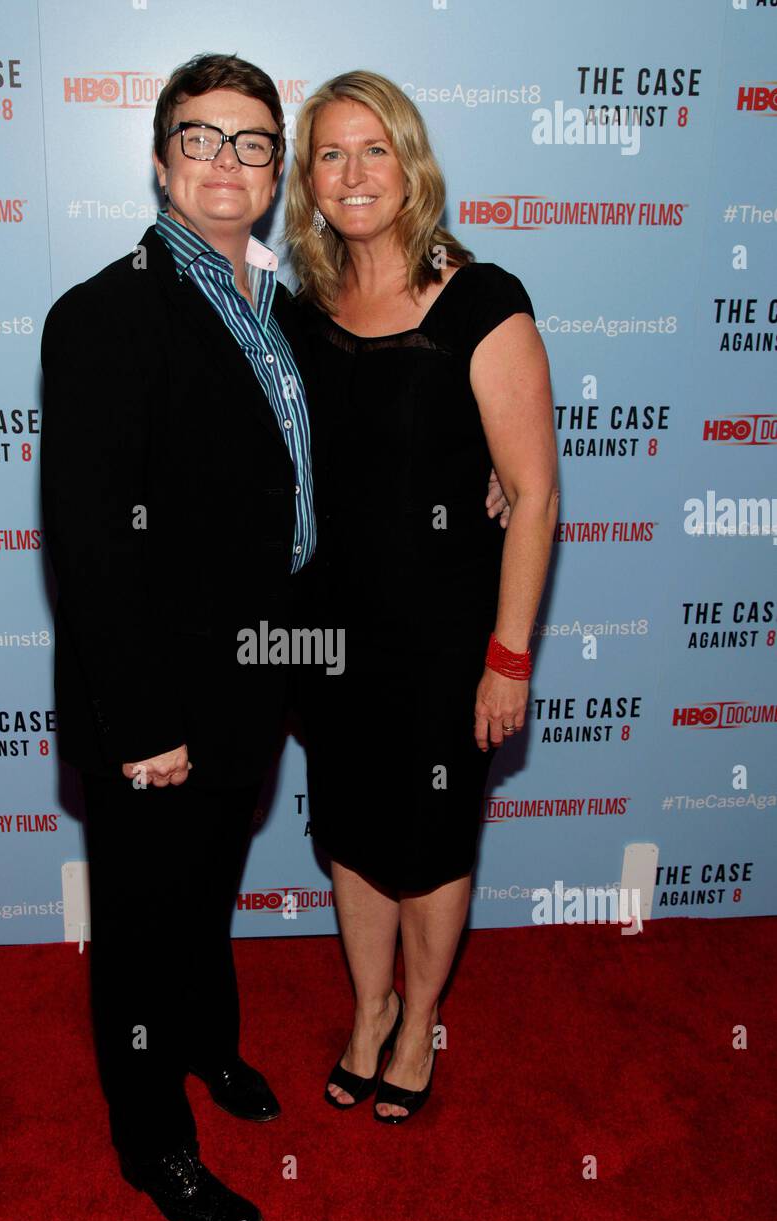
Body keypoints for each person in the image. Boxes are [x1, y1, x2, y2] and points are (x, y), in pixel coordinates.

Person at [39, 52, 321, 1221]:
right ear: (161, 164)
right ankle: (152, 1139)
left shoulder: (280, 308)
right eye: (201, 139)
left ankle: (208, 1043)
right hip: (151, 696)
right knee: (146, 921)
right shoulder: (105, 313)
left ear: (275, 169)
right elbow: (92, 542)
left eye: (252, 142)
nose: (228, 162)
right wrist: (143, 722)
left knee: (208, 889)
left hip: (256, 671)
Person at [285, 72, 559, 1122]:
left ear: (412, 163)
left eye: (374, 150)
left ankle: (418, 1019)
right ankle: (367, 1008)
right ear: (308, 179)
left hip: (446, 636)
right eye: (329, 154)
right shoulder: (303, 306)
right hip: (330, 631)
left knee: (433, 836)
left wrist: (508, 655)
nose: (353, 174)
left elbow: (531, 493)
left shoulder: (482, 299)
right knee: (353, 830)